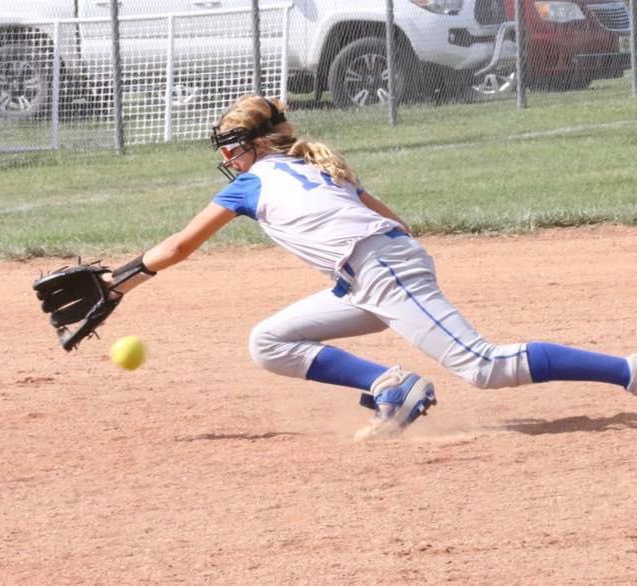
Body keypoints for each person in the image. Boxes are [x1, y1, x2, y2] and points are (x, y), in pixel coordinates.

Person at [105, 94, 636, 440]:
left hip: (379, 268)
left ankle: (628, 371)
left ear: (256, 145)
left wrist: (117, 283)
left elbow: (179, 246)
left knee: (483, 366)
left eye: (233, 149)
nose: (229, 159)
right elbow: (397, 221)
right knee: (270, 341)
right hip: (368, 273)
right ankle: (390, 387)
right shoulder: (316, 166)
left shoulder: (253, 181)